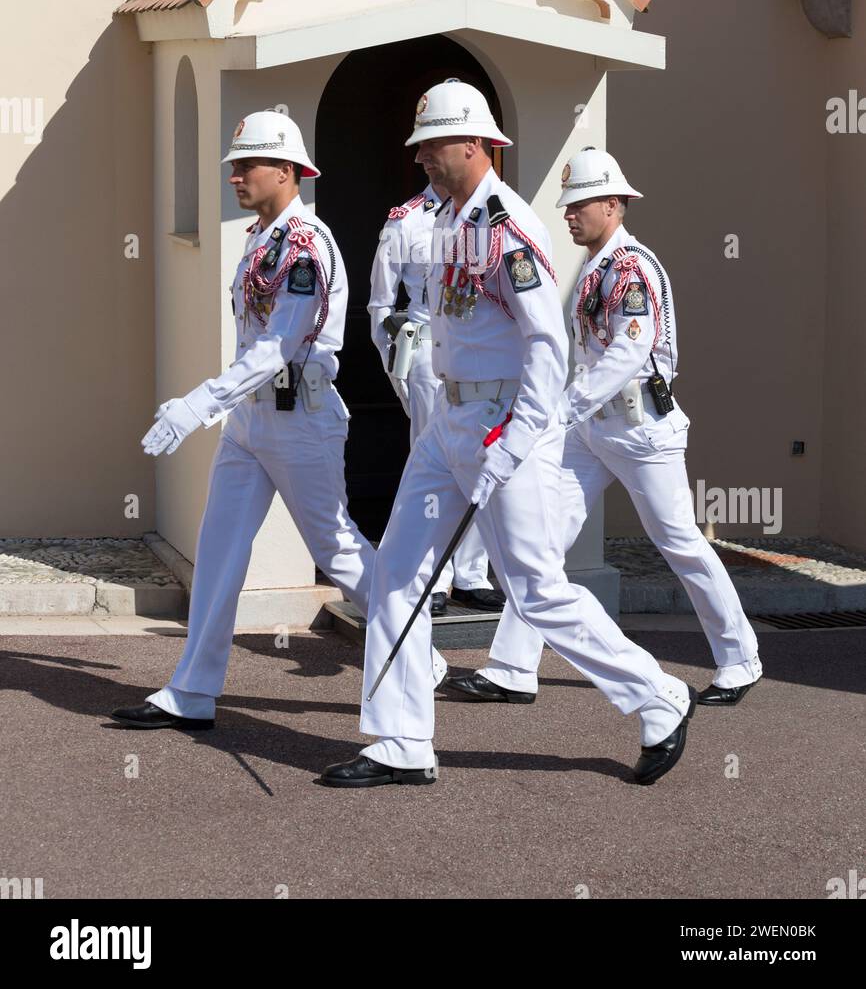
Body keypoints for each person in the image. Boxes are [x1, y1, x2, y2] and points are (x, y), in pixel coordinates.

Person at [320, 82, 697, 788]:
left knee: (536, 587)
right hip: (446, 423)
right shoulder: (442, 223)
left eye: (434, 145)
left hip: (501, 424)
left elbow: (546, 345)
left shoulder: (509, 227)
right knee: (398, 572)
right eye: (421, 146)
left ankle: (660, 696)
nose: (424, 157)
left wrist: (517, 441)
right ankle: (401, 740)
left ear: (473, 143)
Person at [111, 110, 445, 731]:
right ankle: (193, 689)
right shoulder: (259, 238)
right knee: (218, 550)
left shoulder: (305, 246)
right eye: (234, 166)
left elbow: (277, 348)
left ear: (288, 171)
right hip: (251, 419)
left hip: (301, 417)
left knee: (337, 550)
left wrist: (197, 403)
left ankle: (416, 643)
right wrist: (222, 404)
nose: (235, 176)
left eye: (248, 165)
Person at [449, 147, 762, 708]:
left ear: (614, 205)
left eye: (582, 204)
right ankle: (513, 668)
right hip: (593, 430)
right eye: (568, 205)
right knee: (542, 546)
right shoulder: (597, 264)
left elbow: (630, 348)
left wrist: (565, 405)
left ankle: (740, 659)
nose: (570, 214)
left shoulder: (631, 265)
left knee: (680, 543)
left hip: (641, 430)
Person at [368, 168, 505, 615]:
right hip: (427, 353)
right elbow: (381, 305)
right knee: (436, 466)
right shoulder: (407, 221)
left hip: (482, 356)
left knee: (482, 459)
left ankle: (469, 573)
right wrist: (400, 372)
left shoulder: (491, 215)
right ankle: (434, 579)